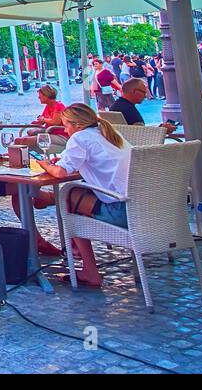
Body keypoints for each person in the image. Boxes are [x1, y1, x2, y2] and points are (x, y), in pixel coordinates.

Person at [36, 103, 132, 288]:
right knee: (75, 192)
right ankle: (75, 248)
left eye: (66, 126)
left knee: (68, 195)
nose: (65, 130)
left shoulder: (80, 138)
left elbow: (61, 173)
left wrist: (46, 165)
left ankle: (89, 268)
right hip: (139, 208)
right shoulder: (110, 134)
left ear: (78, 125)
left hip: (120, 212)